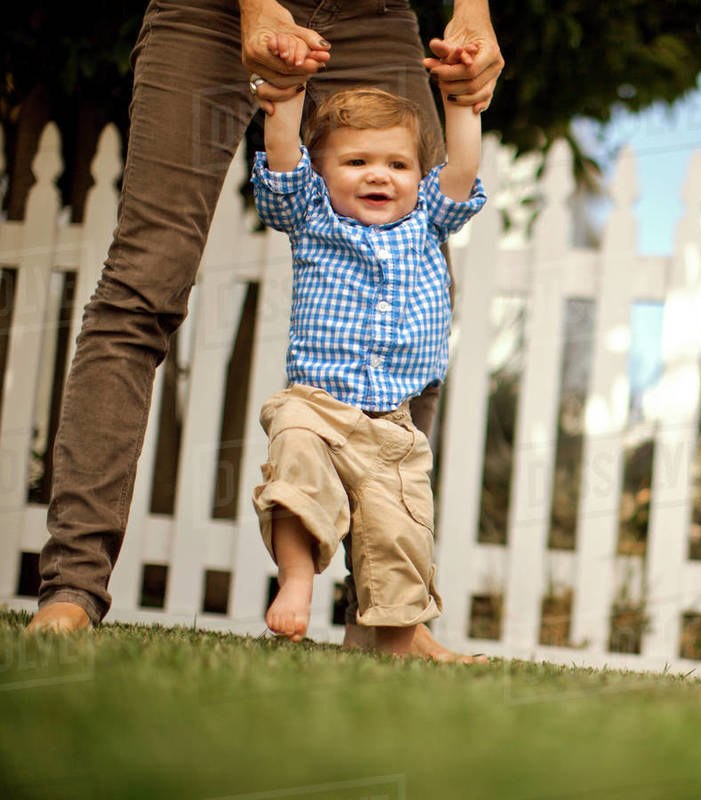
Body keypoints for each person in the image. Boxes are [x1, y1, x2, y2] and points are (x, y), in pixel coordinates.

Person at [26, 0, 501, 663]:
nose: (381, 178)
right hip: (213, 9)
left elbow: (452, 185)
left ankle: (392, 620)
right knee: (144, 283)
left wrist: (473, 12)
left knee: (414, 287)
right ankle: (70, 589)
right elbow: (284, 187)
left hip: (374, 14)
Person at [251, 71, 484, 654]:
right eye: (356, 162)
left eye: (398, 165)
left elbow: (460, 170)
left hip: (393, 427)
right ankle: (297, 579)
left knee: (398, 538)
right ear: (322, 174)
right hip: (318, 405)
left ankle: (393, 643)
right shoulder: (312, 217)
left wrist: (463, 106)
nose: (380, 174)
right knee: (294, 453)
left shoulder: (427, 223)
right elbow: (282, 163)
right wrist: (284, 99)